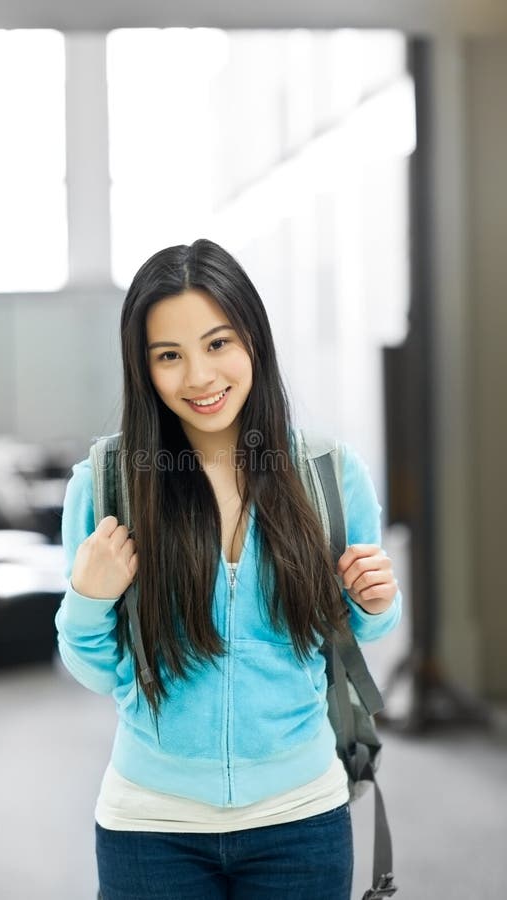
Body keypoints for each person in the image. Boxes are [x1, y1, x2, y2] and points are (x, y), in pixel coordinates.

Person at [54, 238, 402, 900]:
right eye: (169, 356)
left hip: (300, 818)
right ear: (143, 367)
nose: (199, 377)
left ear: (254, 342)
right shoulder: (107, 484)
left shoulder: (328, 472)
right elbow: (97, 672)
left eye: (218, 344)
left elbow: (365, 635)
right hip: (149, 825)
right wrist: (88, 600)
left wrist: (378, 601)